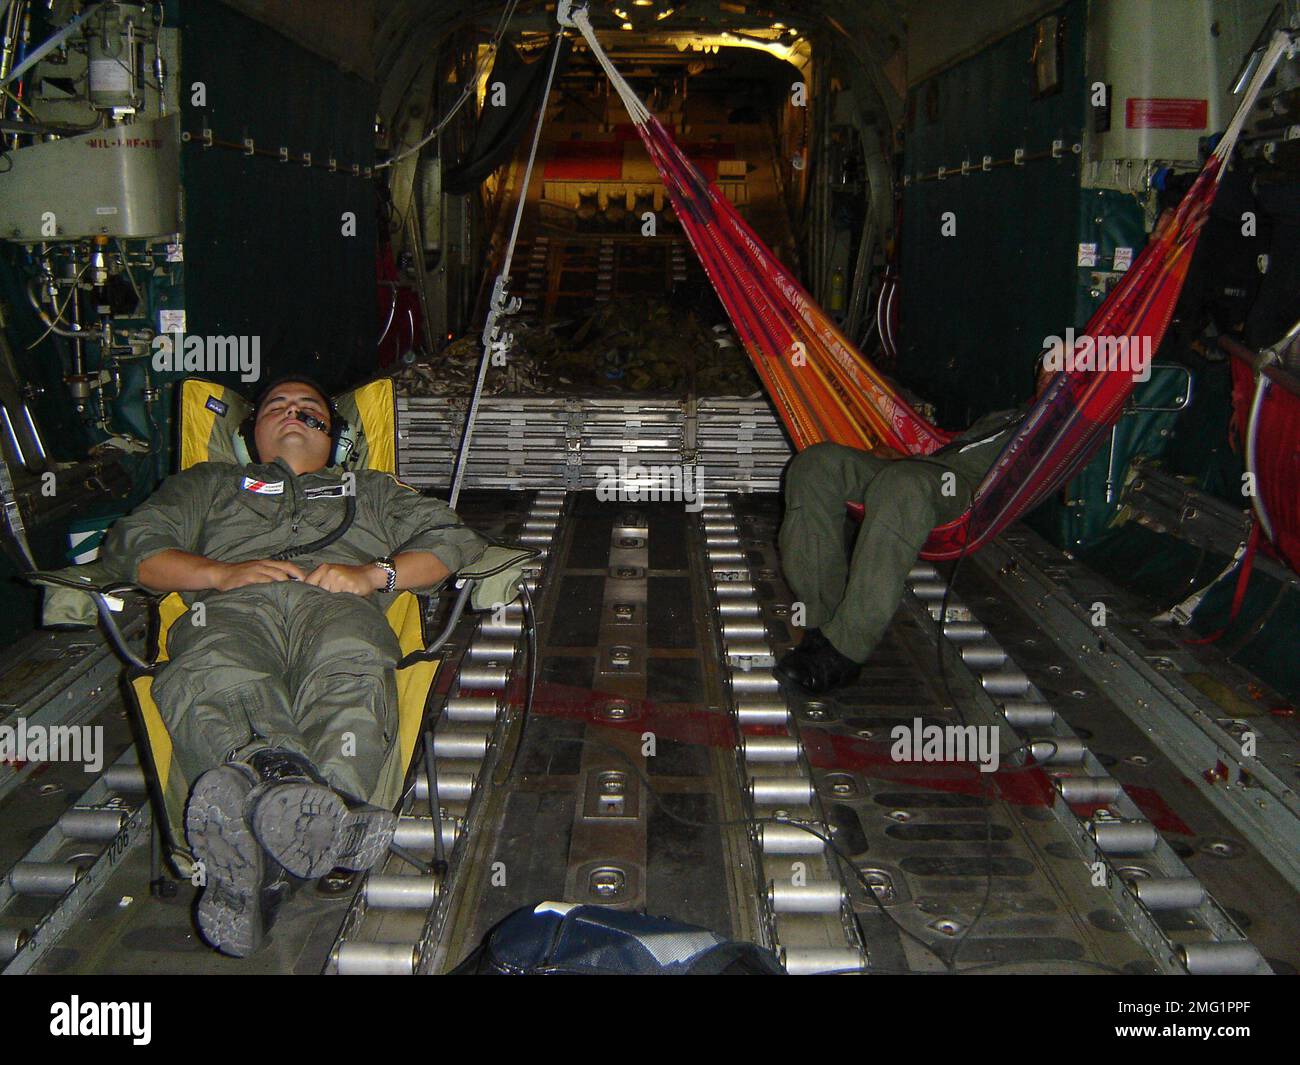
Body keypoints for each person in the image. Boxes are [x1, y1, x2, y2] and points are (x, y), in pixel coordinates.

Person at [98, 374, 489, 956]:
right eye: (277, 406)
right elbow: (133, 545)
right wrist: (219, 574)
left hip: (340, 602)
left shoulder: (370, 488)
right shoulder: (209, 483)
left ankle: (272, 825)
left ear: (334, 438)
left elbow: (453, 540)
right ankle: (313, 810)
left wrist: (371, 575)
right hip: (231, 604)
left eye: (311, 410)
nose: (293, 413)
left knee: (348, 664)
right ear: (251, 434)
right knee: (215, 665)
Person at [774, 365, 1053, 696]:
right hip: (926, 473)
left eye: (1067, 364)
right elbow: (946, 454)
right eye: (1049, 363)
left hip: (969, 494)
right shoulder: (1006, 416)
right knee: (817, 465)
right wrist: (905, 459)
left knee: (904, 486)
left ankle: (846, 648)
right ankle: (824, 623)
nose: (1051, 370)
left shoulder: (1055, 426)